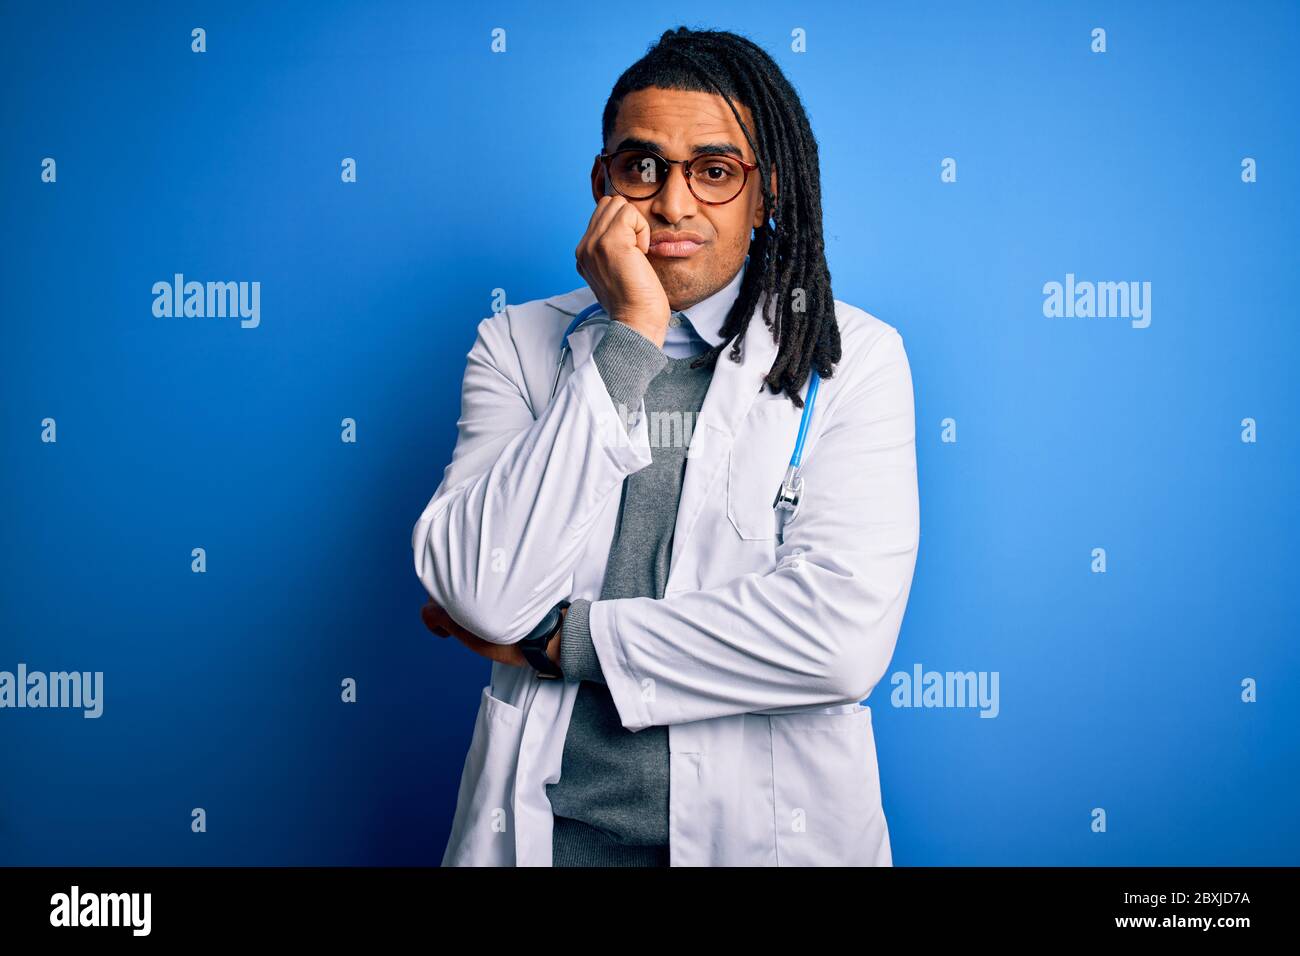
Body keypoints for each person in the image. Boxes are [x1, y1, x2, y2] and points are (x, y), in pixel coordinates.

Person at [413, 26, 920, 867]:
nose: (673, 205)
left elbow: (839, 641)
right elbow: (480, 589)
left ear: (768, 196)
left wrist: (567, 643)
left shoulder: (852, 358)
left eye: (715, 172)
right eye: (641, 166)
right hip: (549, 839)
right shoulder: (514, 344)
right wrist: (632, 336)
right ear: (602, 182)